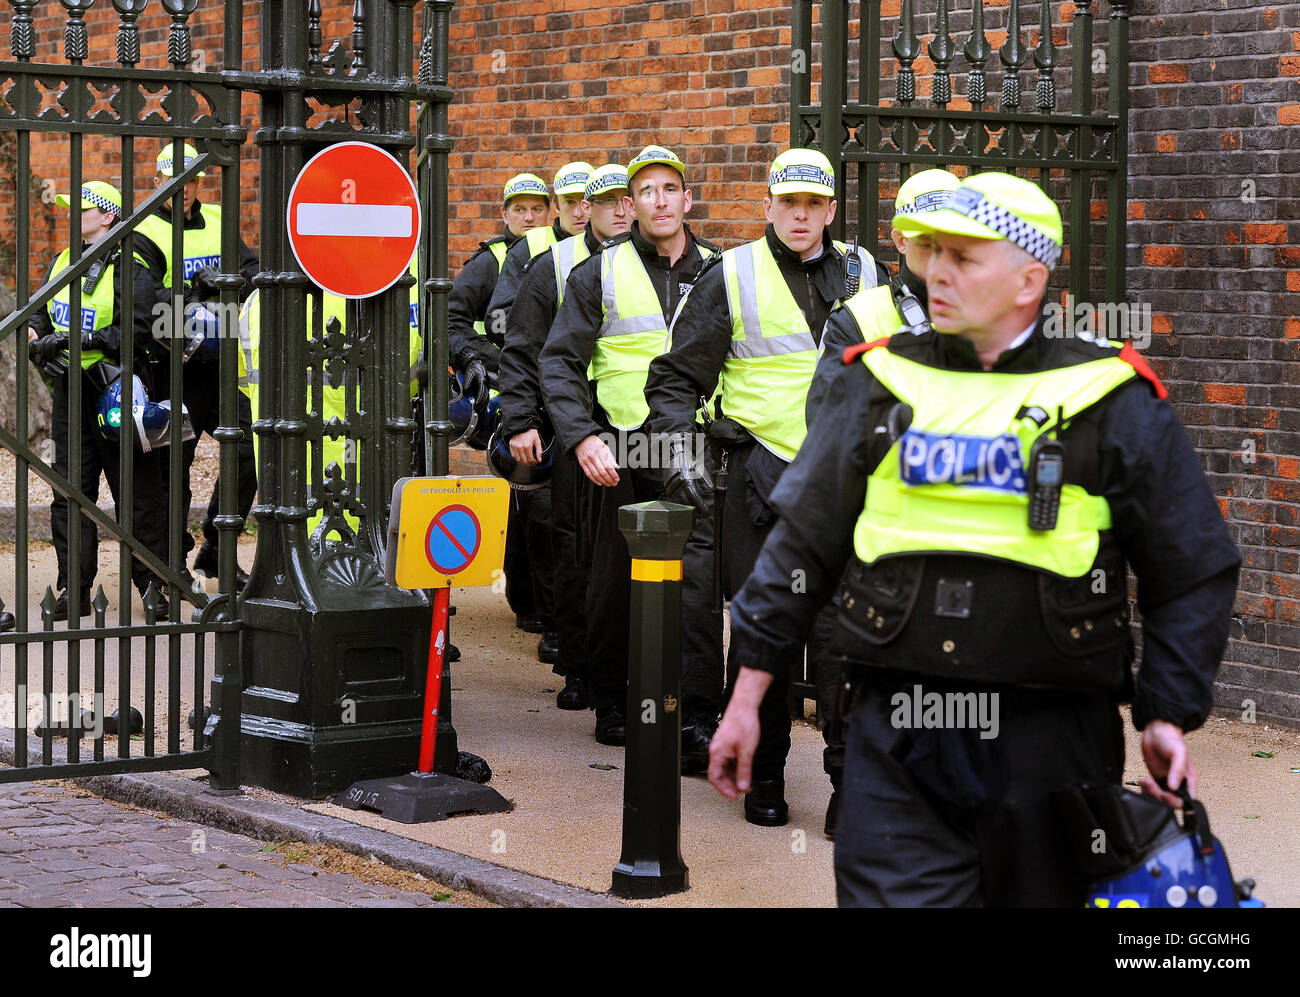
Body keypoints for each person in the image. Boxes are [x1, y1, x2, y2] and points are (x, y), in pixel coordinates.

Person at [707, 171, 1240, 906]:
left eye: (964, 257)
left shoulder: (1110, 396)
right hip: (899, 733)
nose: (938, 273)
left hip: (1054, 744)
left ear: (1030, 277)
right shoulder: (880, 380)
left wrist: (1168, 710)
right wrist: (749, 690)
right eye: (933, 254)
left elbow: (1193, 567)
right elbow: (804, 547)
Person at [645, 148, 880, 825]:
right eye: (788, 202)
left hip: (845, 485)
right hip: (757, 479)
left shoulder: (867, 275)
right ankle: (765, 776)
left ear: (832, 209)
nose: (800, 215)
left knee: (846, 639)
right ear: (769, 205)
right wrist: (682, 458)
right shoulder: (733, 276)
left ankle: (848, 786)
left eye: (813, 204)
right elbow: (673, 382)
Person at [539, 144, 722, 762]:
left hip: (692, 449)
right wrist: (582, 434)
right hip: (621, 444)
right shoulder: (599, 272)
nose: (660, 201)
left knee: (695, 587)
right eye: (647, 192)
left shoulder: (721, 271)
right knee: (613, 581)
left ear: (687, 198)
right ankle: (614, 700)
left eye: (671, 189)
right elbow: (559, 361)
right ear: (631, 204)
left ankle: (696, 715)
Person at [497, 163, 633, 709]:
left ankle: (630, 668)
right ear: (585, 211)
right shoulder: (553, 263)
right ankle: (578, 668)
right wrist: (521, 422)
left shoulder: (659, 259)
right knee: (573, 549)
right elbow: (524, 349)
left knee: (625, 554)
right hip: (566, 425)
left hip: (630, 426)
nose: (621, 210)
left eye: (630, 199)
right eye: (607, 202)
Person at [26, 181, 172, 620]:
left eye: (84, 208)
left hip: (116, 387)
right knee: (70, 490)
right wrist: (36, 335)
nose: (76, 215)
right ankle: (74, 586)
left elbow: (138, 331)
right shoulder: (65, 259)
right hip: (71, 388)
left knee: (137, 491)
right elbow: (38, 307)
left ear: (107, 216)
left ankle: (152, 587)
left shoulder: (132, 263)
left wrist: (81, 338)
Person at [136, 142, 260, 592]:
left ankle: (217, 549)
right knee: (174, 470)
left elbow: (254, 270)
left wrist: (229, 281)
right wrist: (193, 289)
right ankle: (171, 568)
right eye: (175, 180)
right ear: (158, 181)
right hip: (172, 368)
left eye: (191, 180)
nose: (184, 189)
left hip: (223, 363)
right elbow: (144, 301)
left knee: (249, 453)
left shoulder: (220, 221)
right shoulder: (144, 229)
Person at [447, 171, 552, 634]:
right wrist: (480, 356)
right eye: (519, 209)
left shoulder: (562, 252)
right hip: (510, 396)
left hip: (558, 394)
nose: (528, 217)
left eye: (536, 208)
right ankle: (528, 602)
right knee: (525, 499)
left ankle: (555, 606)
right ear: (505, 214)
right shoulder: (490, 261)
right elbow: (448, 319)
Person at [806, 167, 959, 421]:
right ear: (901, 241)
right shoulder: (857, 319)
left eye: (953, 238)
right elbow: (825, 424)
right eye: (927, 241)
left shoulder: (997, 314)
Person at [485, 161, 594, 327]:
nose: (578, 213)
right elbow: (499, 319)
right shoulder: (527, 246)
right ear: (556, 204)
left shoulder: (616, 244)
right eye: (570, 202)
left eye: (584, 202)